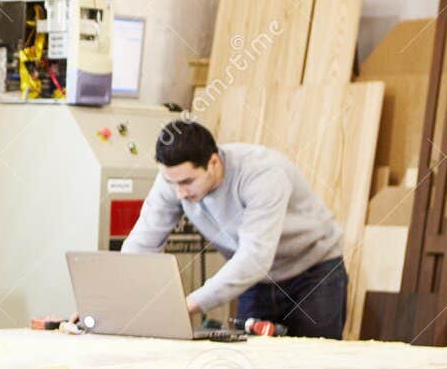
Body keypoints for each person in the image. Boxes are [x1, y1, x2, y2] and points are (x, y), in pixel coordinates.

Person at [122, 119, 348, 339]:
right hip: (257, 280)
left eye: (187, 182)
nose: (180, 193)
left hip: (314, 272)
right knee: (252, 363)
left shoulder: (262, 174)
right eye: (172, 183)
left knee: (314, 360)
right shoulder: (173, 180)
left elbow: (255, 258)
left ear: (213, 163)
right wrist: (122, 297)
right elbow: (142, 243)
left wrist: (186, 306)